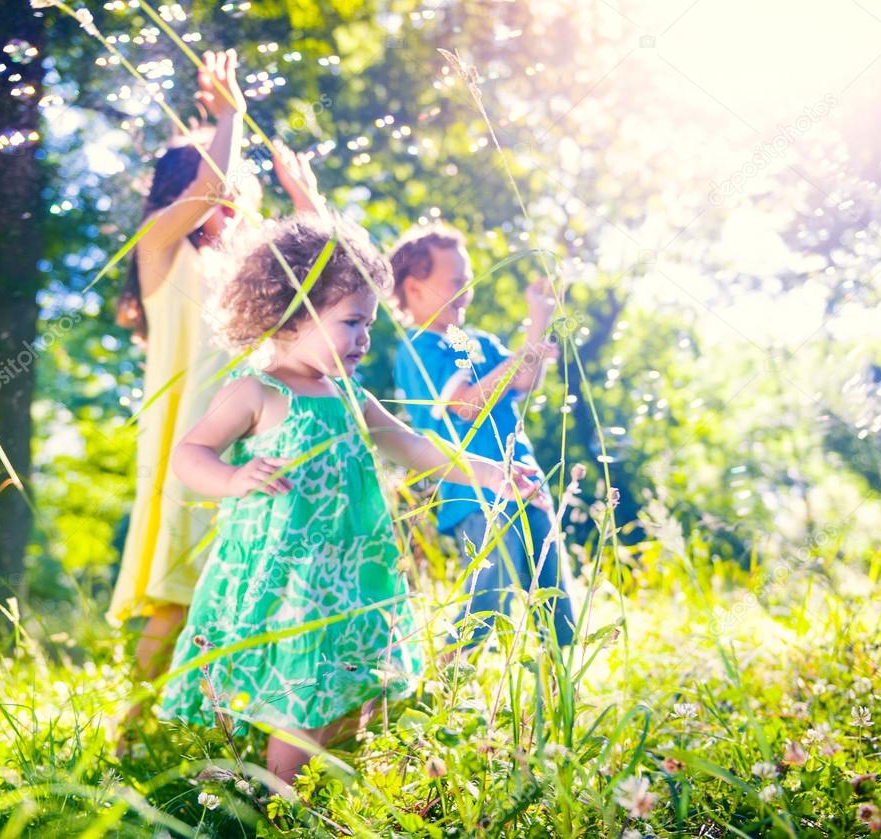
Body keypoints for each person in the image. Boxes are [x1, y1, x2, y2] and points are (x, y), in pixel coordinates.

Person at [157, 213, 545, 784]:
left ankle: (312, 778)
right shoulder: (257, 391)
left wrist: (488, 472)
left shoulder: (350, 394)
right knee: (295, 685)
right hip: (284, 572)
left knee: (337, 684)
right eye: (352, 322)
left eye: (367, 323)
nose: (365, 337)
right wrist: (233, 479)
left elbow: (411, 446)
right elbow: (190, 454)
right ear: (291, 316)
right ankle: (271, 797)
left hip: (347, 571)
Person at [111, 48, 325, 693]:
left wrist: (305, 201)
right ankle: (131, 729)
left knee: (259, 584)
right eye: (221, 195)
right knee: (181, 588)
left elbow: (321, 286)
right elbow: (209, 187)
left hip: (258, 439)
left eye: (242, 201)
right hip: (191, 447)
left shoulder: (246, 280)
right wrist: (230, 119)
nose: (230, 208)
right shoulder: (159, 251)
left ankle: (224, 722)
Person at [390, 225, 576, 652]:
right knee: (490, 590)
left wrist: (540, 316)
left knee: (552, 585)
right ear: (416, 290)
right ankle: (456, 669)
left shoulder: (478, 342)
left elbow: (525, 380)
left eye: (468, 280)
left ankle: (561, 675)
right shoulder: (420, 348)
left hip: (523, 476)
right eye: (456, 282)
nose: (466, 291)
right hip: (475, 488)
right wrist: (517, 359)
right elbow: (465, 405)